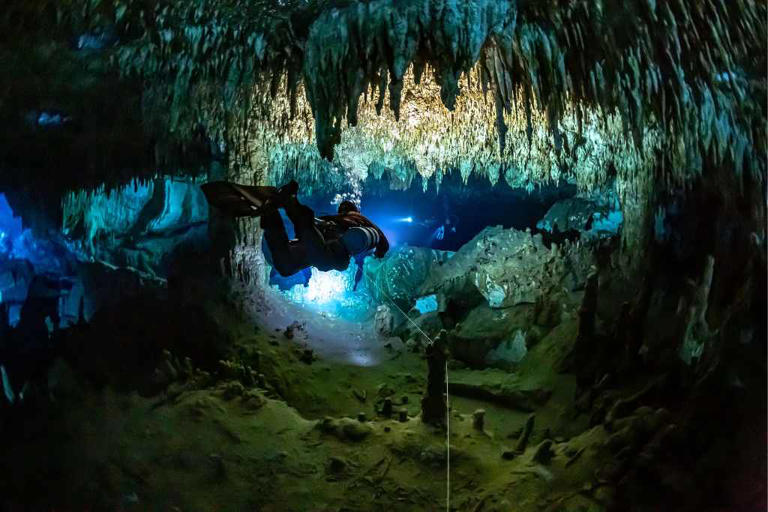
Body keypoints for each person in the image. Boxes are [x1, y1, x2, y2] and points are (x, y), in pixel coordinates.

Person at [202, 180, 389, 277]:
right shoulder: (353, 220)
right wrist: (380, 249)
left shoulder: (351, 218)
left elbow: (376, 236)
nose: (341, 210)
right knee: (318, 261)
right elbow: (378, 236)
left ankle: (273, 211)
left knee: (286, 265)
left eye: (343, 209)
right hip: (329, 243)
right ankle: (287, 203)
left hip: (327, 239)